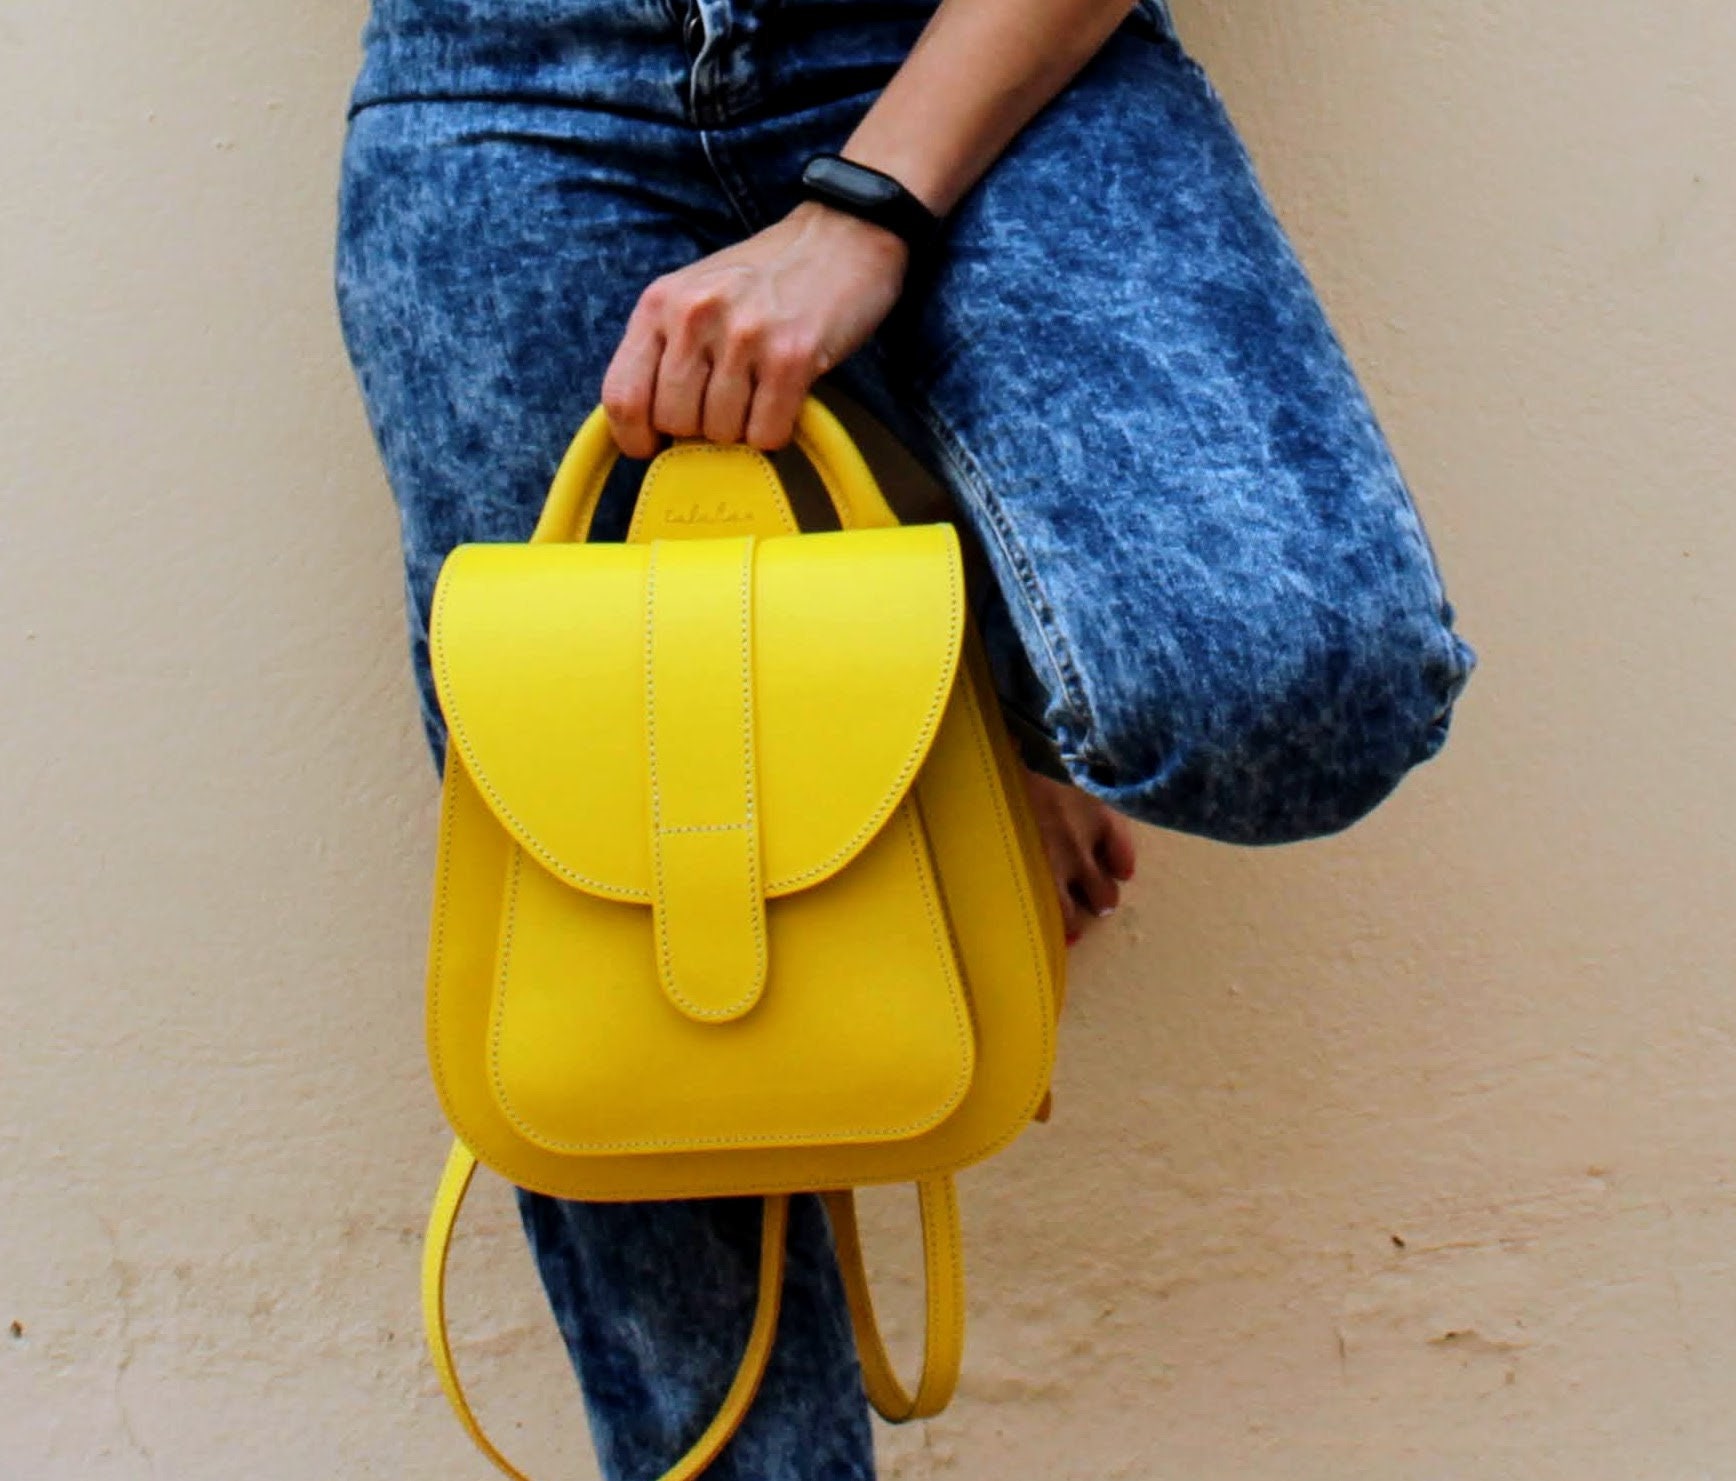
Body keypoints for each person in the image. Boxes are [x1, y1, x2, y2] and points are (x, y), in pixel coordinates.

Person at [335, 0, 1477, 1475]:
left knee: (1301, 679)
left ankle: (924, 731)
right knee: (608, 937)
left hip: (950, 31)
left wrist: (867, 207)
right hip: (504, 78)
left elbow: (1314, 697)